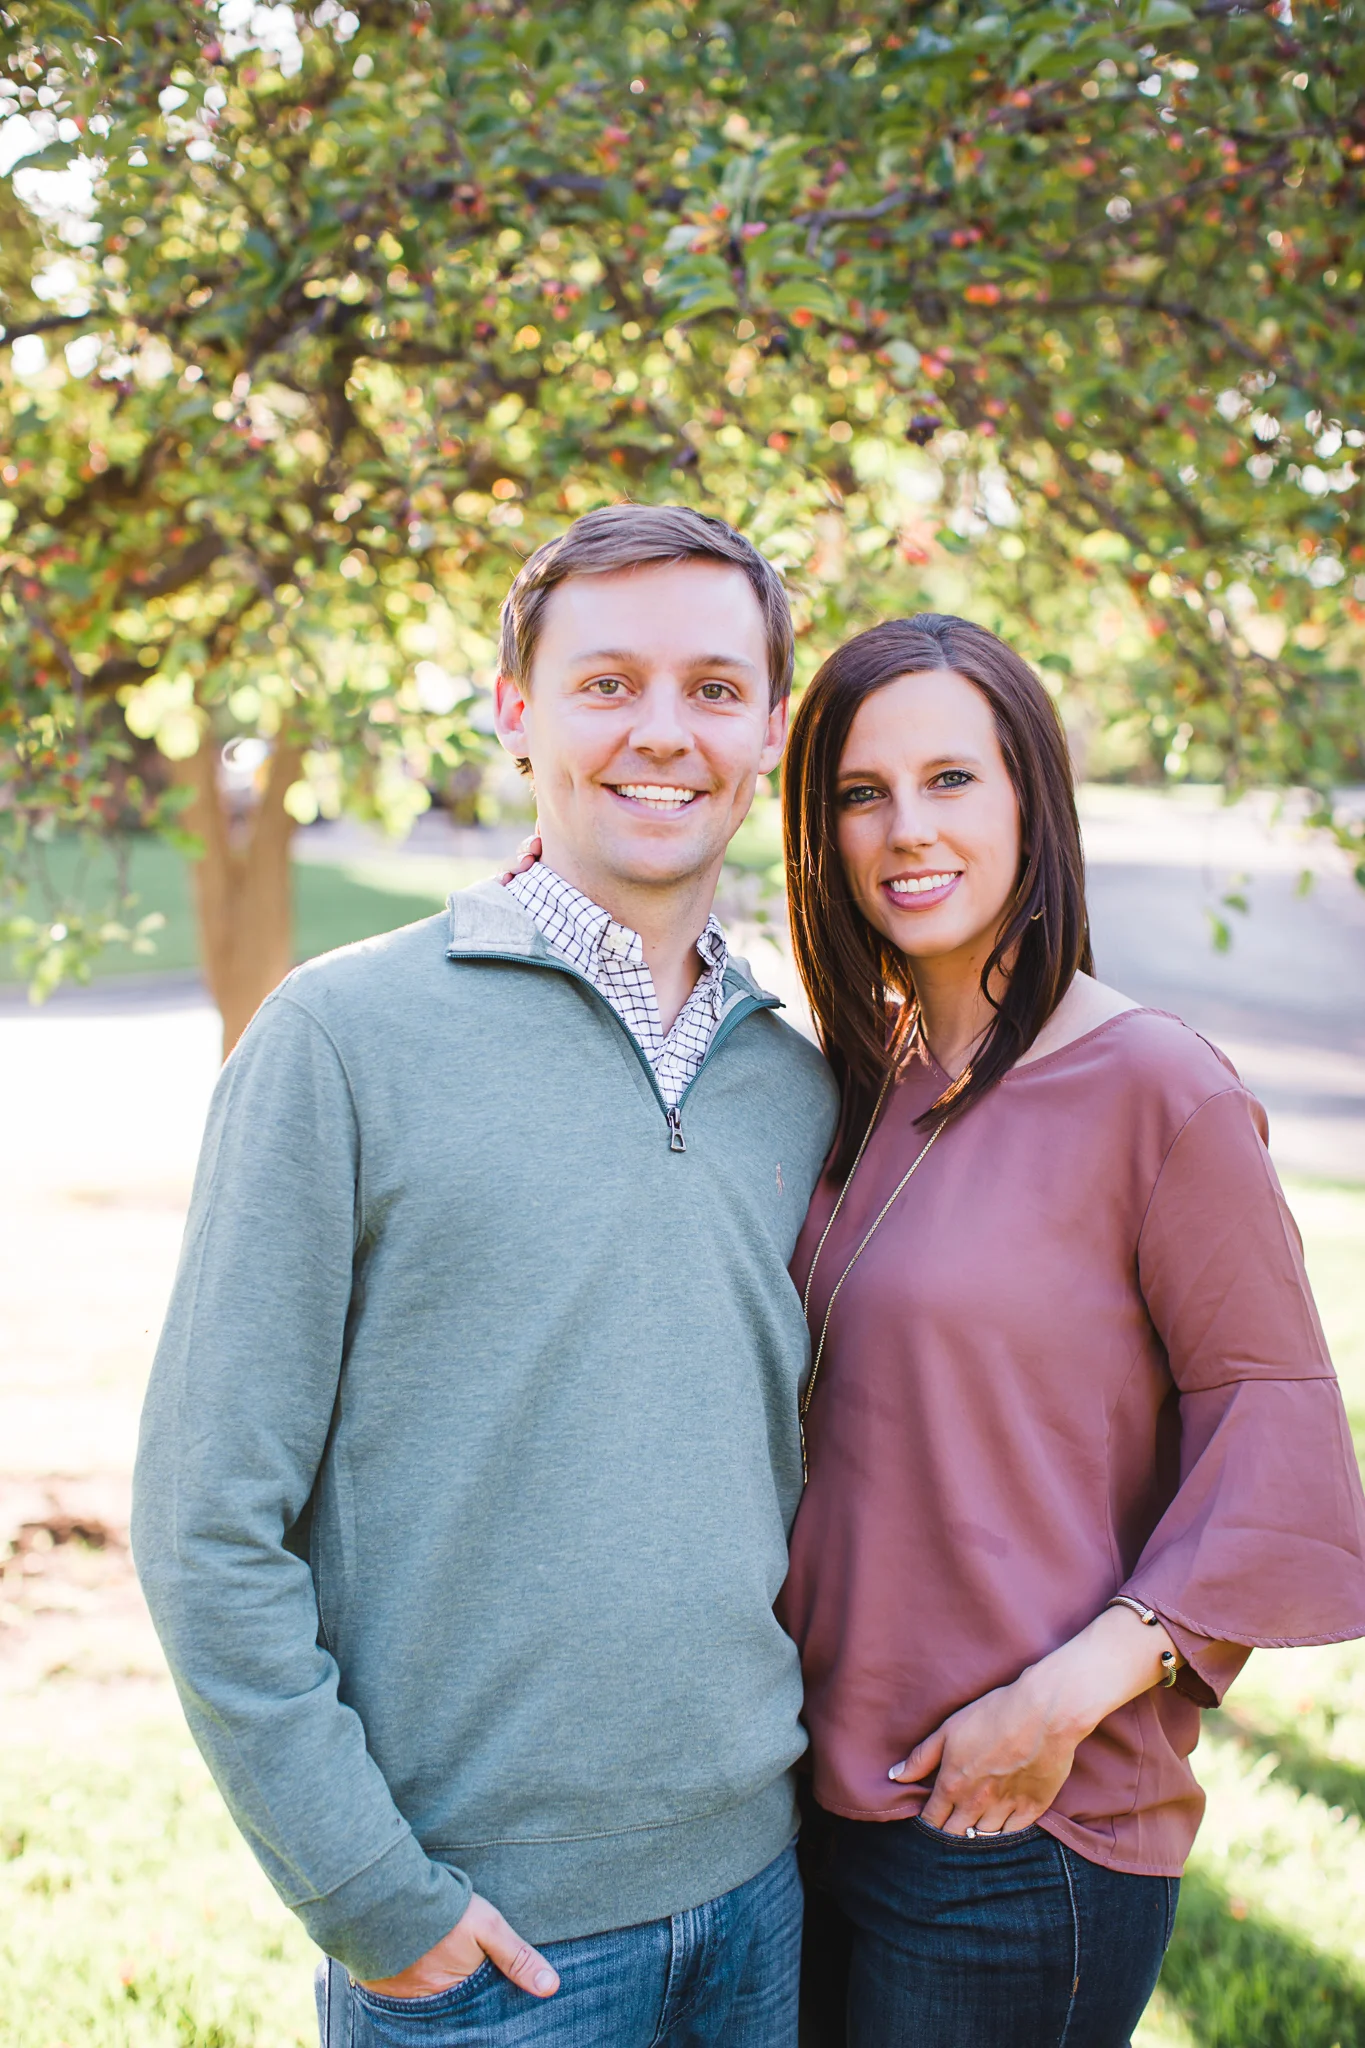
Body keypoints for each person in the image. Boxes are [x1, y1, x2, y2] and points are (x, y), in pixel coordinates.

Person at [132, 505, 839, 2048]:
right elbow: (205, 1523)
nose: (666, 732)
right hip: (481, 1947)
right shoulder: (341, 1042)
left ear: (772, 727)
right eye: (608, 683)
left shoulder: (797, 1080)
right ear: (513, 709)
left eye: (717, 689)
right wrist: (376, 1901)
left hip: (767, 1904)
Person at [776, 614, 1365, 2048]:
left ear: (1033, 798)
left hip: (1021, 1827)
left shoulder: (1157, 1090)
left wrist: (1061, 1699)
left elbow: (1280, 1434)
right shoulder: (862, 1088)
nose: (905, 830)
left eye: (951, 780)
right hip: (813, 1800)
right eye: (861, 793)